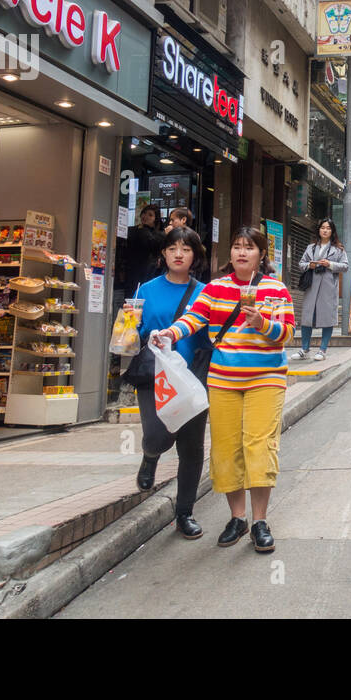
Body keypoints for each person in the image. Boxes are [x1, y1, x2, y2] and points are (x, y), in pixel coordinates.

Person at [151, 227, 296, 554]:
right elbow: (192, 319)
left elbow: (285, 333)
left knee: (259, 446)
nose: (242, 253)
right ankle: (237, 517)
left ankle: (260, 522)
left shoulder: (276, 289)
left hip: (266, 378)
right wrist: (170, 335)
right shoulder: (216, 288)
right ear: (229, 254)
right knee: (227, 448)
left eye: (249, 248)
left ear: (261, 254)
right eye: (237, 247)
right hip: (223, 379)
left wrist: (262, 324)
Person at [133, 226, 213, 538]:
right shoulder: (146, 290)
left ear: (195, 256)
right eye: (172, 248)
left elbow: (211, 335)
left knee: (191, 447)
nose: (178, 254)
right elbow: (129, 330)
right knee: (158, 435)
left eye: (186, 249)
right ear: (163, 254)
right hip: (155, 375)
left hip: (192, 375)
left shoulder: (206, 292)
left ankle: (184, 513)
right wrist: (141, 334)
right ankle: (150, 456)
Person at [294, 218, 348, 361]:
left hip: (328, 286)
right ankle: (304, 349)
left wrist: (330, 264)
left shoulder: (338, 249)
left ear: (332, 231)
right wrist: (309, 265)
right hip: (311, 285)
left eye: (328, 228)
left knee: (327, 317)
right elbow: (301, 264)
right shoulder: (311, 247)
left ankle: (322, 350)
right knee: (307, 316)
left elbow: (345, 266)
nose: (325, 230)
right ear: (319, 230)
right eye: (322, 227)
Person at [123, 203, 164, 297]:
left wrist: (143, 230)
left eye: (150, 215)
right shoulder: (132, 230)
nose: (145, 216)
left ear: (155, 218)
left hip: (149, 272)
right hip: (132, 270)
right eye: (144, 213)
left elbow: (153, 246)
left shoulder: (159, 234)